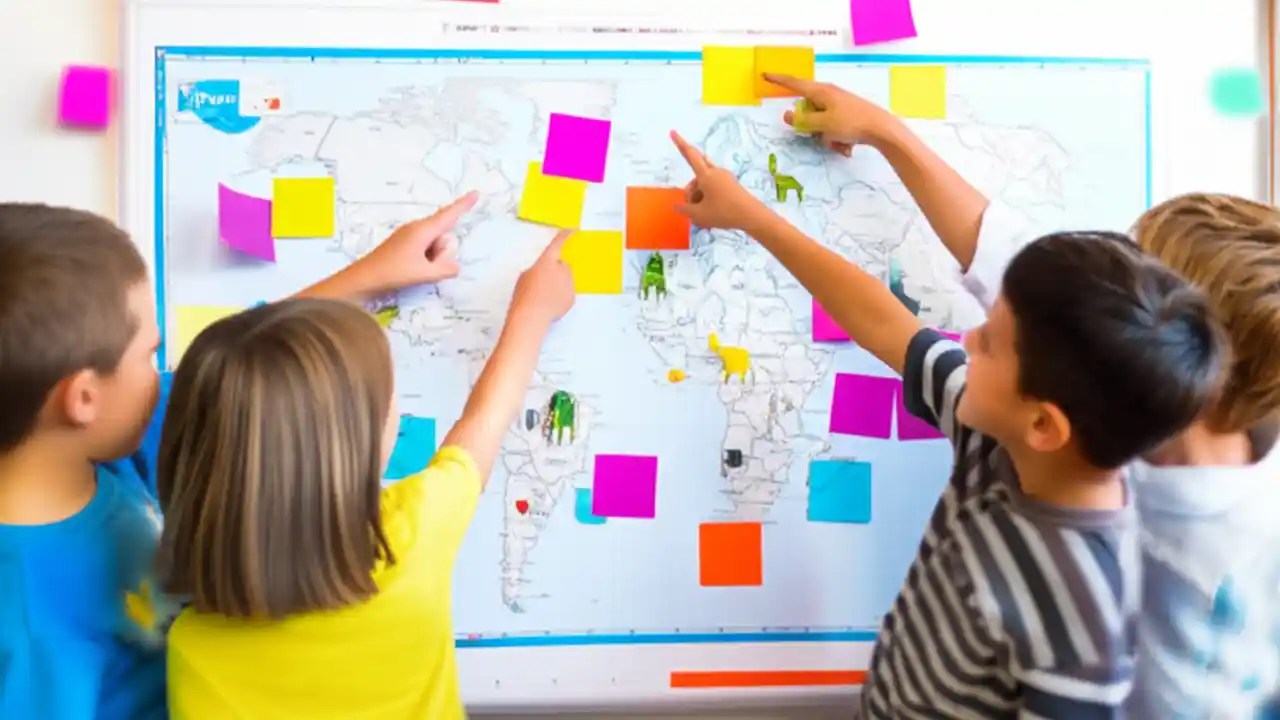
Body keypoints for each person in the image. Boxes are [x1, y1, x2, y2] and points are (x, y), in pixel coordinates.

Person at [668, 124, 1228, 717]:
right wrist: (754, 218)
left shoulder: (1089, 616)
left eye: (993, 342)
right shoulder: (998, 436)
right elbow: (882, 321)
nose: (968, 338)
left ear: (1044, 425)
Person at [771, 71, 1280, 717]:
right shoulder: (1092, 396)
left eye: (1128, 277)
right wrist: (884, 132)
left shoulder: (1214, 552)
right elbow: (1000, 253)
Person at [0, 194, 477, 720]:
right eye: (149, 353)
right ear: (83, 398)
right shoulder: (27, 626)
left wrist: (369, 276)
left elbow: (239, 380)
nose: (162, 374)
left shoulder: (89, 447)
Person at [154, 230, 574, 719]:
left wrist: (371, 275)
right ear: (356, 447)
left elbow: (228, 398)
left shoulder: (189, 648)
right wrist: (532, 313)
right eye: (389, 396)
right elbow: (483, 425)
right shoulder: (406, 540)